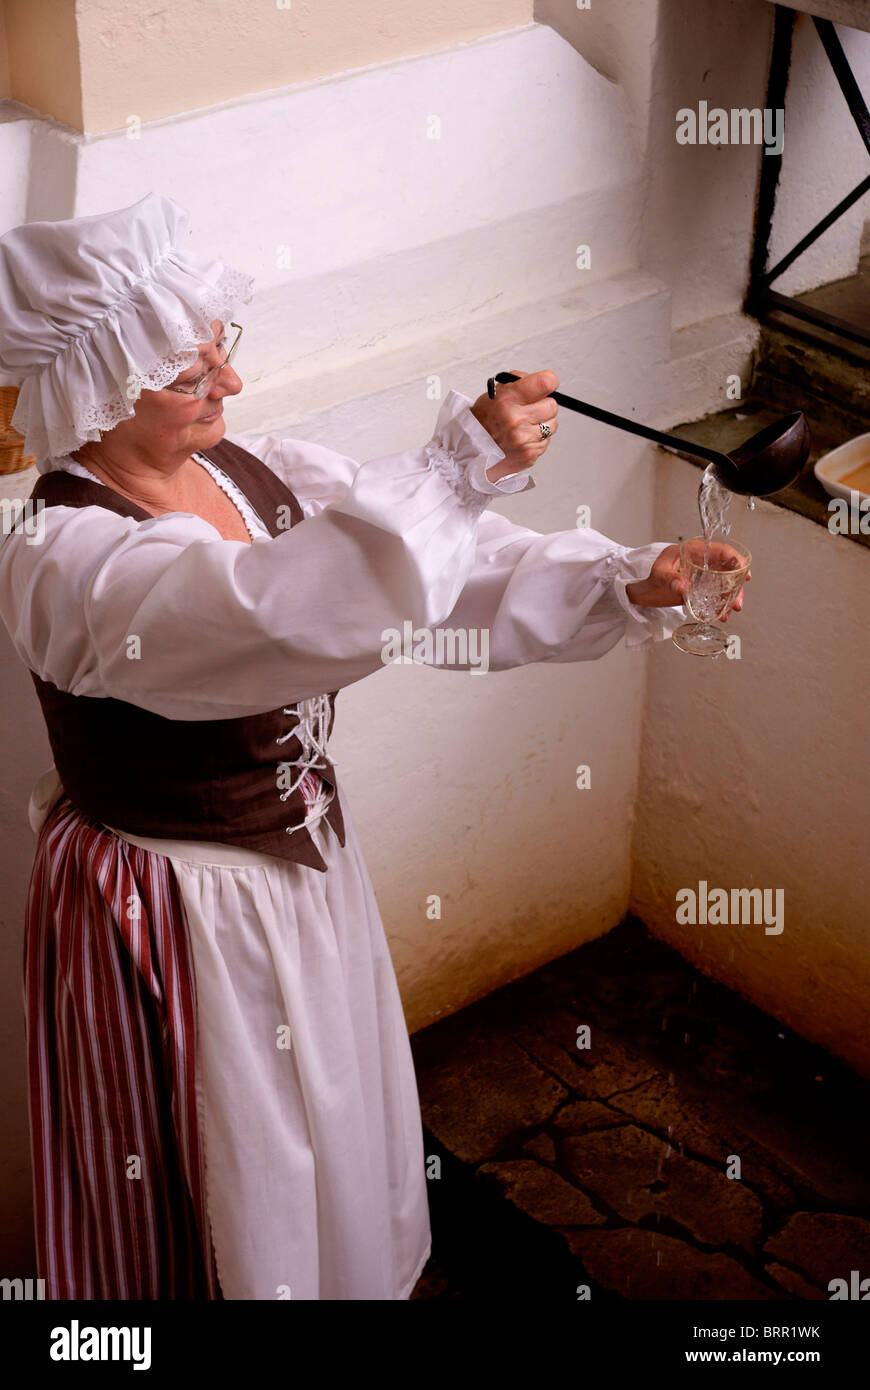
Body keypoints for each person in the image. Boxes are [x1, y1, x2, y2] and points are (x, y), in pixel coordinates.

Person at [0, 192, 741, 1301]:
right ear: (95, 387)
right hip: (179, 906)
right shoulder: (62, 558)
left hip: (296, 874)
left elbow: (434, 585)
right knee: (230, 1170)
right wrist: (446, 471)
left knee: (328, 1124)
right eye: (190, 373)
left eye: (220, 351)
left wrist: (624, 578)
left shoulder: (255, 471)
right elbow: (278, 616)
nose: (230, 385)